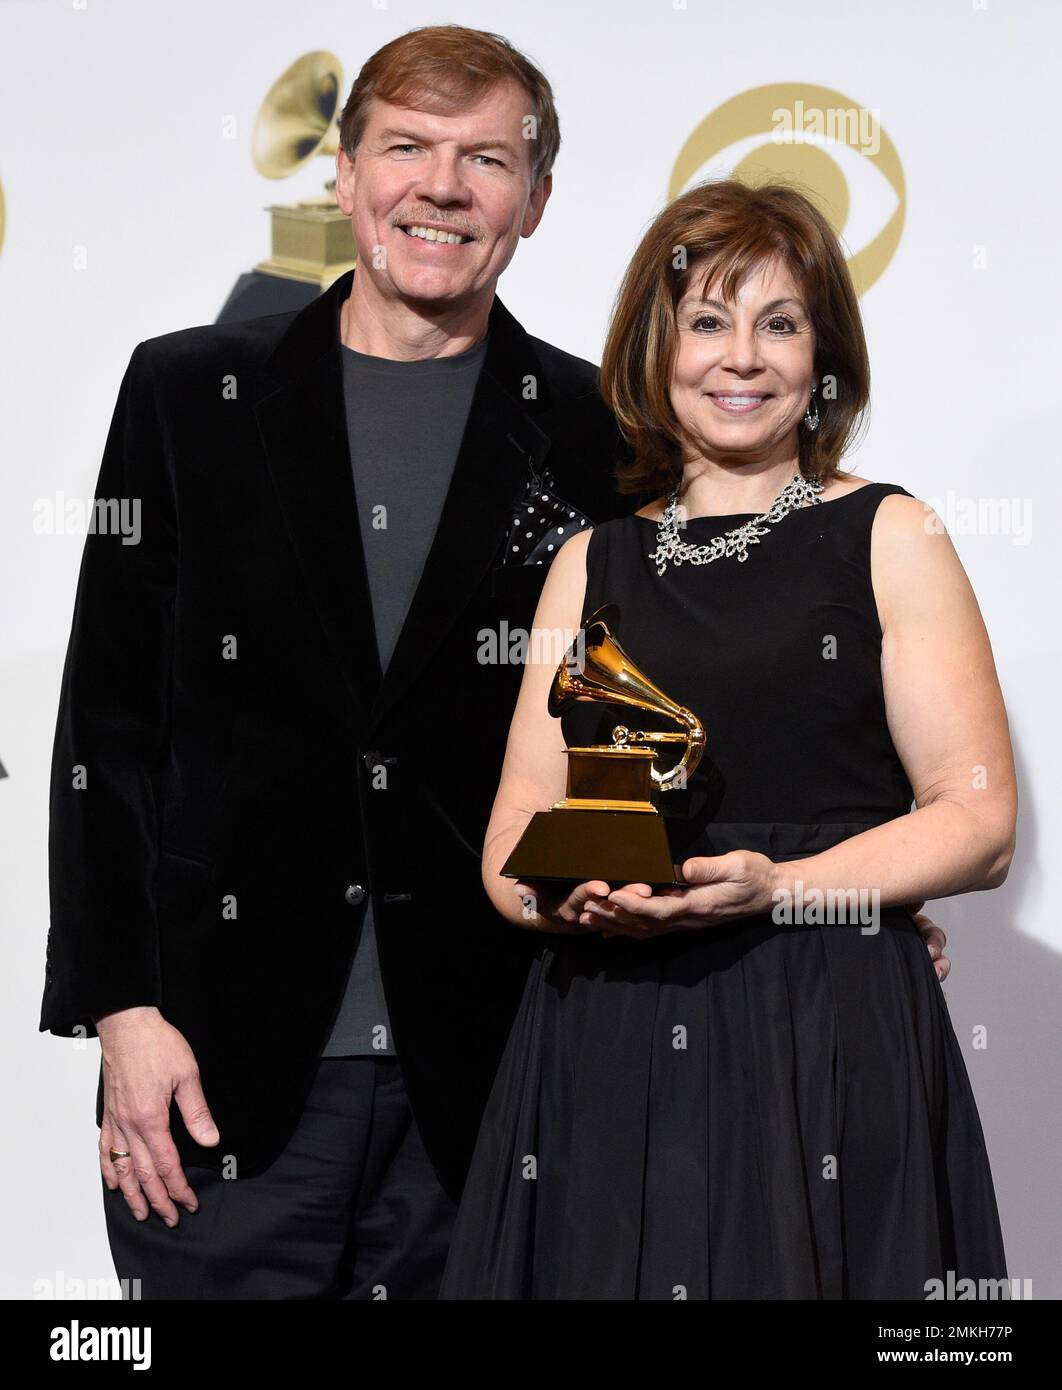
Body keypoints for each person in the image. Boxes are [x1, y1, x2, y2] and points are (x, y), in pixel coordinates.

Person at [38, 24, 638, 1300]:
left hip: (492, 1077)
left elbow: (674, 702)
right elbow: (107, 728)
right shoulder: (188, 392)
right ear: (343, 175)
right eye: (406, 146)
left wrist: (855, 893)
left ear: (535, 201)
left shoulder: (598, 430)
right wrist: (122, 1015)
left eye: (487, 158)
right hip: (220, 1072)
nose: (441, 186)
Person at [440, 178, 1015, 1300]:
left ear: (824, 357)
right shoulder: (588, 563)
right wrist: (563, 897)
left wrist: (784, 888)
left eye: (780, 322)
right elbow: (514, 829)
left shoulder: (890, 533)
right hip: (606, 1032)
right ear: (657, 349)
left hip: (826, 1025)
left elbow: (979, 821)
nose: (741, 358)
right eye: (707, 320)